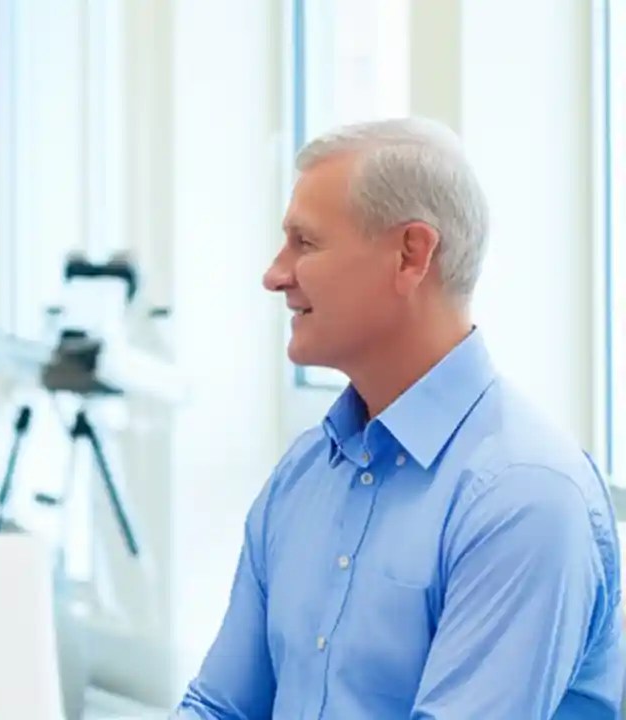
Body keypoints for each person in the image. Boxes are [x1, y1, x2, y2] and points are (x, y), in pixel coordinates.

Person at [172, 117, 624, 718]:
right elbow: (221, 707)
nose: (275, 274)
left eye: (305, 243)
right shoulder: (305, 473)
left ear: (411, 255)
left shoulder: (524, 496)